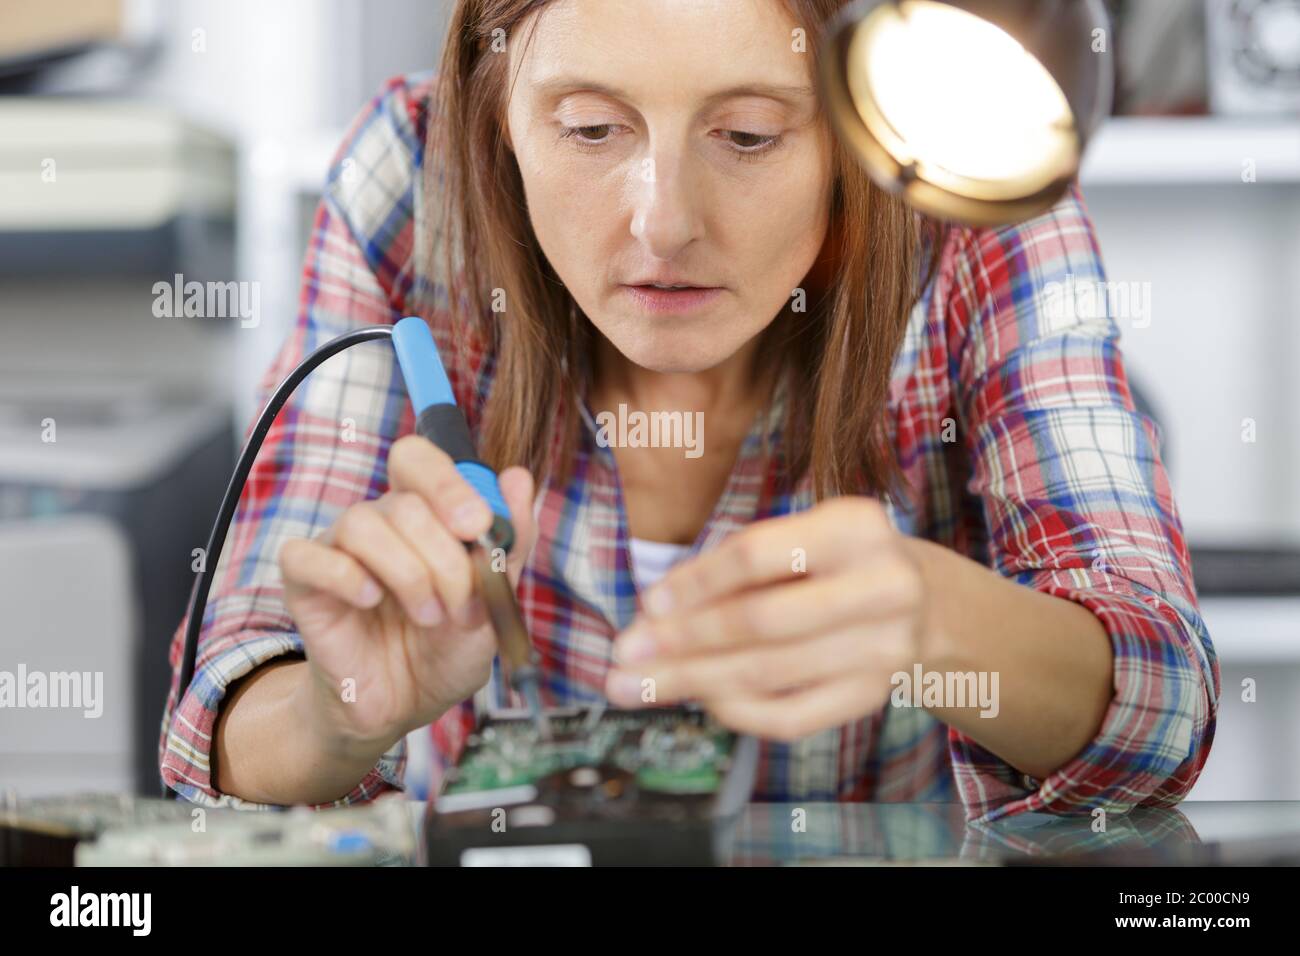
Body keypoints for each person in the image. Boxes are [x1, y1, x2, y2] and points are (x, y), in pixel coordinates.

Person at [159, 0, 1219, 823]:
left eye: (748, 135)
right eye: (587, 127)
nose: (662, 222)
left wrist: (932, 618)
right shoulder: (416, 178)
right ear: (498, 109)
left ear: (859, 120)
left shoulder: (960, 177)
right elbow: (218, 719)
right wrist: (338, 711)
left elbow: (1162, 711)